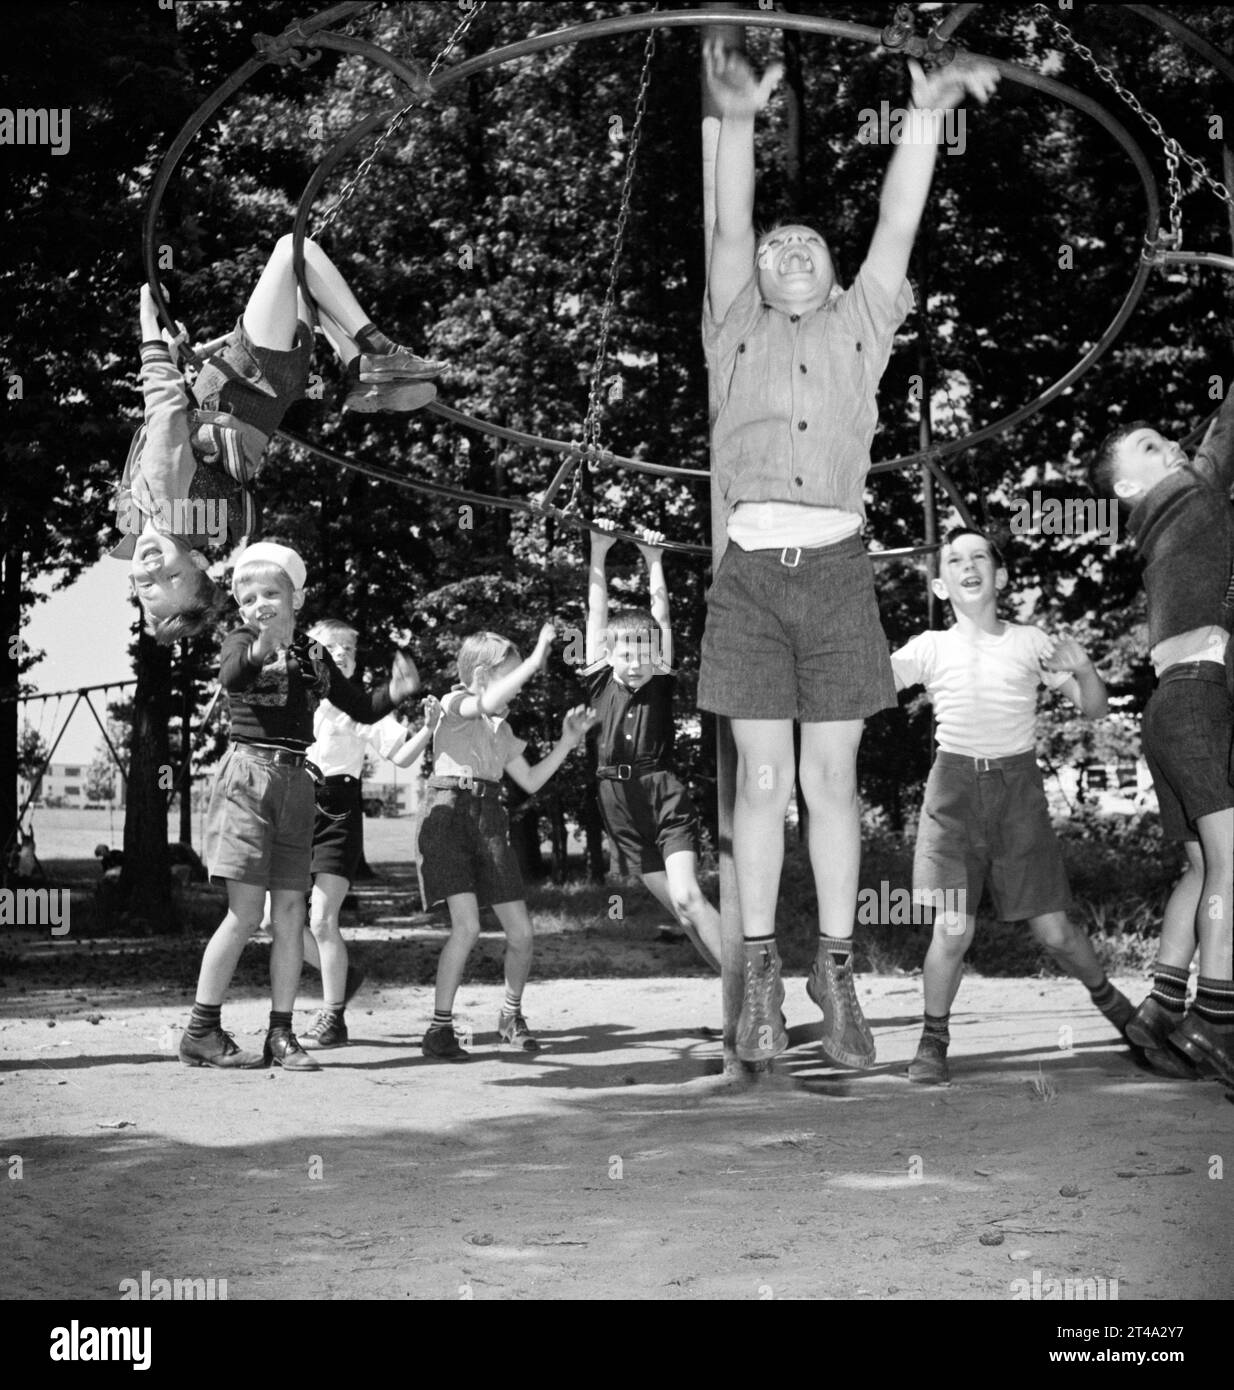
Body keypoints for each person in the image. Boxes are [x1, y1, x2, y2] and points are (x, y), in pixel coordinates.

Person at [698, 40, 1000, 1066]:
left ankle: (835, 971)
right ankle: (756, 984)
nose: (786, 251)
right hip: (747, 574)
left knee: (829, 781)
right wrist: (733, 120)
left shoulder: (862, 323)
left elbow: (897, 220)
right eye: (777, 247)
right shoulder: (729, 317)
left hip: (832, 569)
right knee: (756, 782)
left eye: (806, 247)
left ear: (832, 277)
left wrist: (924, 113)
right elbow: (730, 221)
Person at [112, 233, 445, 643]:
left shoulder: (188, 523)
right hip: (248, 376)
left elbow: (187, 437)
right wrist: (149, 329)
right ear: (198, 560)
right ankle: (378, 350)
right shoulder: (167, 508)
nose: (153, 568)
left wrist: (178, 365)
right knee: (292, 249)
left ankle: (363, 372)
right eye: (172, 576)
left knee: (307, 290)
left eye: (147, 585)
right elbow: (163, 415)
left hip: (263, 388)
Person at [891, 528, 1135, 1084]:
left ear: (999, 577)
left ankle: (1115, 1005)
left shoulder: (1030, 641)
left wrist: (1086, 668)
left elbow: (1094, 710)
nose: (968, 565)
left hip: (1017, 793)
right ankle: (933, 1039)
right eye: (954, 559)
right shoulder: (929, 646)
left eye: (980, 557)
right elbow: (865, 685)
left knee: (1054, 932)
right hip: (952, 793)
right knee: (952, 929)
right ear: (939, 583)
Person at [179, 541, 419, 1072]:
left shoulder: (314, 655)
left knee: (291, 913)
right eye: (249, 596)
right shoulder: (240, 640)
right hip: (248, 777)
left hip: (297, 784)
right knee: (244, 914)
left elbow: (360, 705)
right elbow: (233, 678)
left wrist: (395, 692)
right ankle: (201, 1030)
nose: (259, 602)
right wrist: (263, 644)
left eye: (272, 593)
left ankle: (281, 1035)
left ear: (297, 597)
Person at [1089, 384, 1234, 1086]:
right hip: (1199, 703)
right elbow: (1225, 434)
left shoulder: (1166, 523)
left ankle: (1160, 1007)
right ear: (1127, 485)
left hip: (1169, 709)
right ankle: (1218, 1020)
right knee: (1232, 864)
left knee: (1201, 867)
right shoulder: (1188, 495)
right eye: (1150, 447)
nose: (1170, 448)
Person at [418, 625, 597, 1061]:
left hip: (489, 818)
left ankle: (509, 1016)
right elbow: (484, 702)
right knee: (468, 927)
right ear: (481, 675)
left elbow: (531, 780)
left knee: (521, 932)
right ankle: (440, 1028)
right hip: (448, 815)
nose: (519, 686)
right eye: (512, 675)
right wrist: (537, 659)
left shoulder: (501, 728)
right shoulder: (453, 703)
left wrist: (569, 742)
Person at [292, 618, 439, 1050]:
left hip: (337, 811)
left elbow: (404, 756)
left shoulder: (362, 707)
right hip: (294, 808)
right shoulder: (292, 699)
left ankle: (332, 1018)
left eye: (350, 650)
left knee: (321, 918)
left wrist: (429, 728)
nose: (342, 655)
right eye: (331, 647)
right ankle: (343, 976)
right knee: (270, 919)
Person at [583, 523, 722, 971]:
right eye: (626, 654)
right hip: (618, 806)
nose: (637, 662)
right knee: (683, 915)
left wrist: (654, 559)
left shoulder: (658, 681)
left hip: (662, 794)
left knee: (689, 898)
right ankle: (740, 994)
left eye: (645, 653)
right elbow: (596, 614)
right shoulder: (601, 679)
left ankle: (755, 981)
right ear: (609, 654)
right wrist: (598, 552)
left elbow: (661, 620)